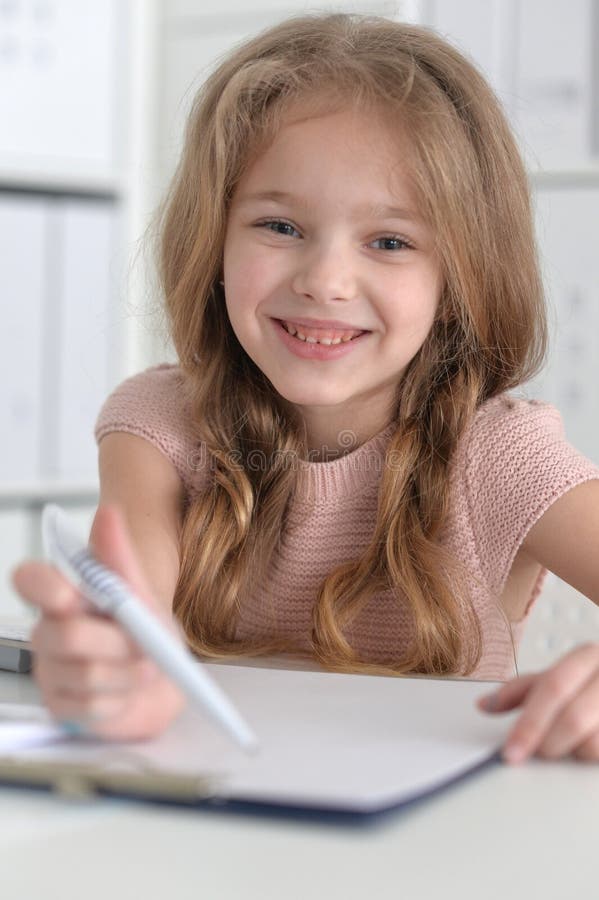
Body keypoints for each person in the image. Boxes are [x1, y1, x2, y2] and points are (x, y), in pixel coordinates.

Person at [12, 13, 599, 762]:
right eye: (279, 226)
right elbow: (140, 610)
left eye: (389, 242)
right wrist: (116, 665)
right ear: (214, 242)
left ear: (459, 281)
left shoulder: (500, 455)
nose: (323, 281)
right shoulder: (158, 423)